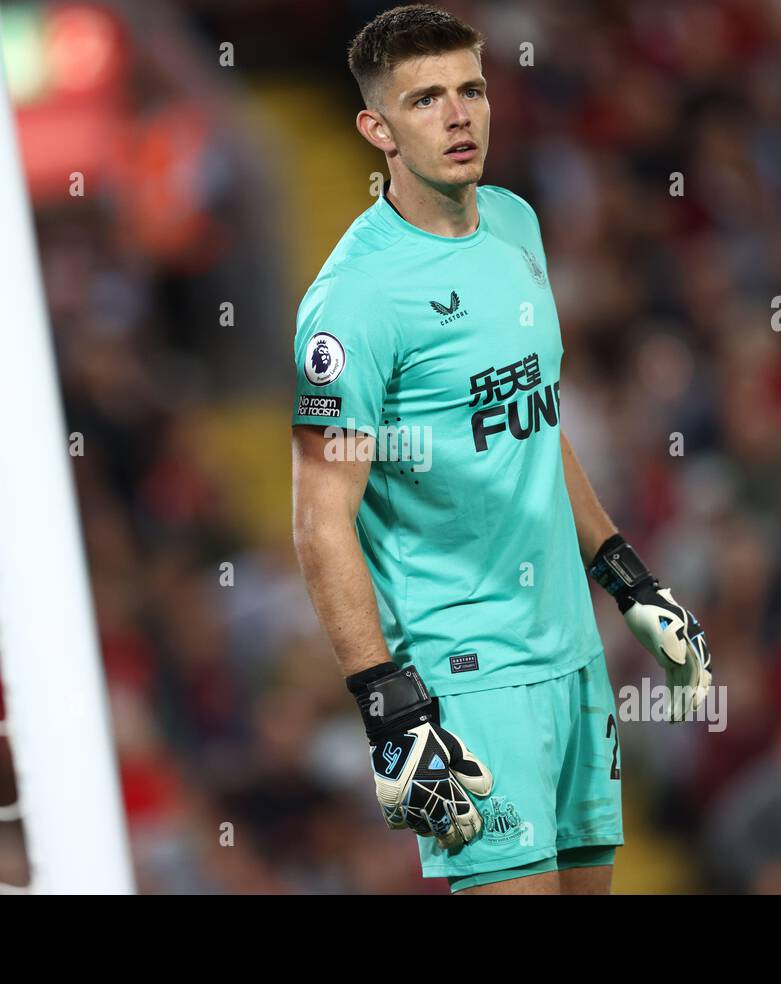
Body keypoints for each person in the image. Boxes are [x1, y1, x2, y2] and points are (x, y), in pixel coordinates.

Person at [290, 3, 712, 895]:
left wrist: (625, 574)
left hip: (571, 649)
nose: (458, 116)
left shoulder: (518, 224)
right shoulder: (355, 300)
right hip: (469, 671)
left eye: (472, 89)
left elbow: (536, 422)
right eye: (426, 99)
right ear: (377, 129)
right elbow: (321, 517)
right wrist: (387, 706)